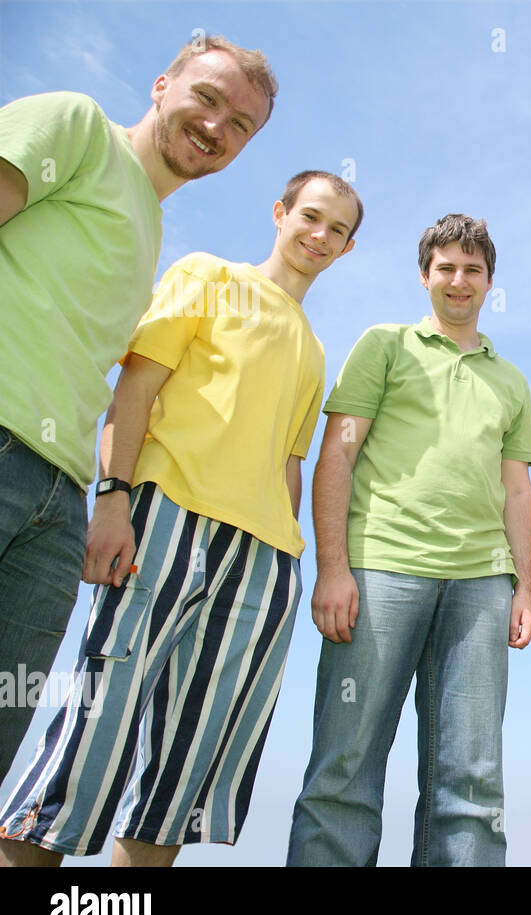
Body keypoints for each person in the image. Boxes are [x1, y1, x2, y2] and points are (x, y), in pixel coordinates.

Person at [0, 170, 360, 867]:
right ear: (280, 211)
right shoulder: (208, 275)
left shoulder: (316, 350)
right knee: (91, 735)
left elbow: (291, 464)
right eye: (310, 216)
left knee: (190, 771)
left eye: (337, 230)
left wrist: (288, 562)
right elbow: (135, 385)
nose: (319, 234)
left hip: (263, 564)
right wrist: (113, 497)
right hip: (165, 521)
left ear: (346, 249)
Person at [0, 35, 277, 779]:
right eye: (207, 98)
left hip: (58, 500)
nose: (218, 126)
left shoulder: (152, 229)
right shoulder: (78, 126)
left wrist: (106, 494)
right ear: (162, 84)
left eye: (241, 124)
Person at [288, 214, 531, 867]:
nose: (459, 281)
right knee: (346, 765)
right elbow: (336, 457)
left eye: (473, 270)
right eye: (446, 268)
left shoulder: (510, 380)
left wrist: (526, 588)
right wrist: (332, 568)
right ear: (425, 275)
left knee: (474, 778)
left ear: (490, 282)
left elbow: (517, 491)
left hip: (483, 585)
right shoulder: (385, 345)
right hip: (380, 569)